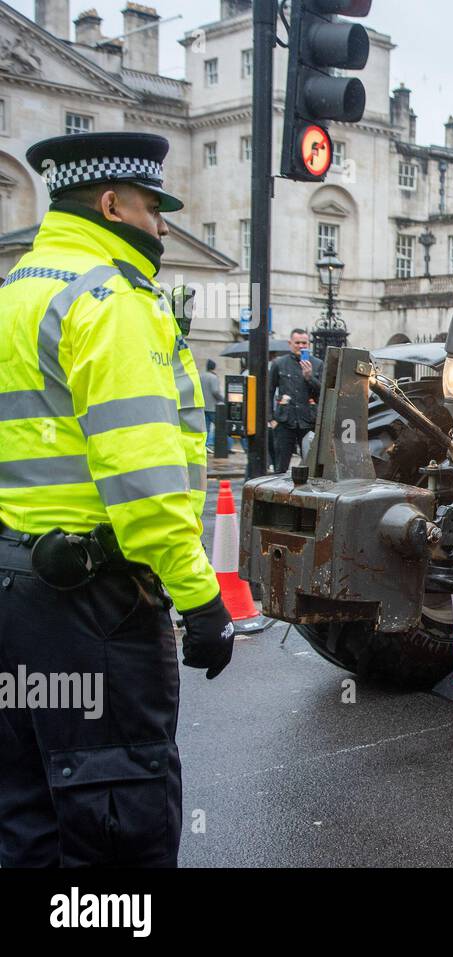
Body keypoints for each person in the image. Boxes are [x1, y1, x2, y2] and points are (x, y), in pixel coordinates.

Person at [0, 132, 234, 867]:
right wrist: (201, 602)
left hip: (15, 592)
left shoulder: (15, 293)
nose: (162, 225)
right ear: (111, 204)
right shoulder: (109, 299)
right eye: (152, 208)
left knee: (26, 811)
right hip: (94, 606)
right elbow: (145, 482)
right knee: (117, 818)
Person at [267, 328, 323, 473]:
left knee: (309, 464)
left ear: (308, 344)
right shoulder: (279, 363)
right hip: (285, 420)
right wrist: (271, 418)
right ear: (290, 343)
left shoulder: (317, 364)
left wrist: (310, 377)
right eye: (297, 342)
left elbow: (323, 392)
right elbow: (269, 390)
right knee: (281, 465)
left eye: (304, 343)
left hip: (308, 421)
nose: (301, 346)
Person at [201, 359, 223, 452]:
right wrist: (222, 400)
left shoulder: (200, 376)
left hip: (203, 406)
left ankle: (205, 445)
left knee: (206, 427)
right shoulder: (213, 377)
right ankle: (225, 446)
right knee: (221, 426)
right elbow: (215, 391)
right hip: (213, 406)